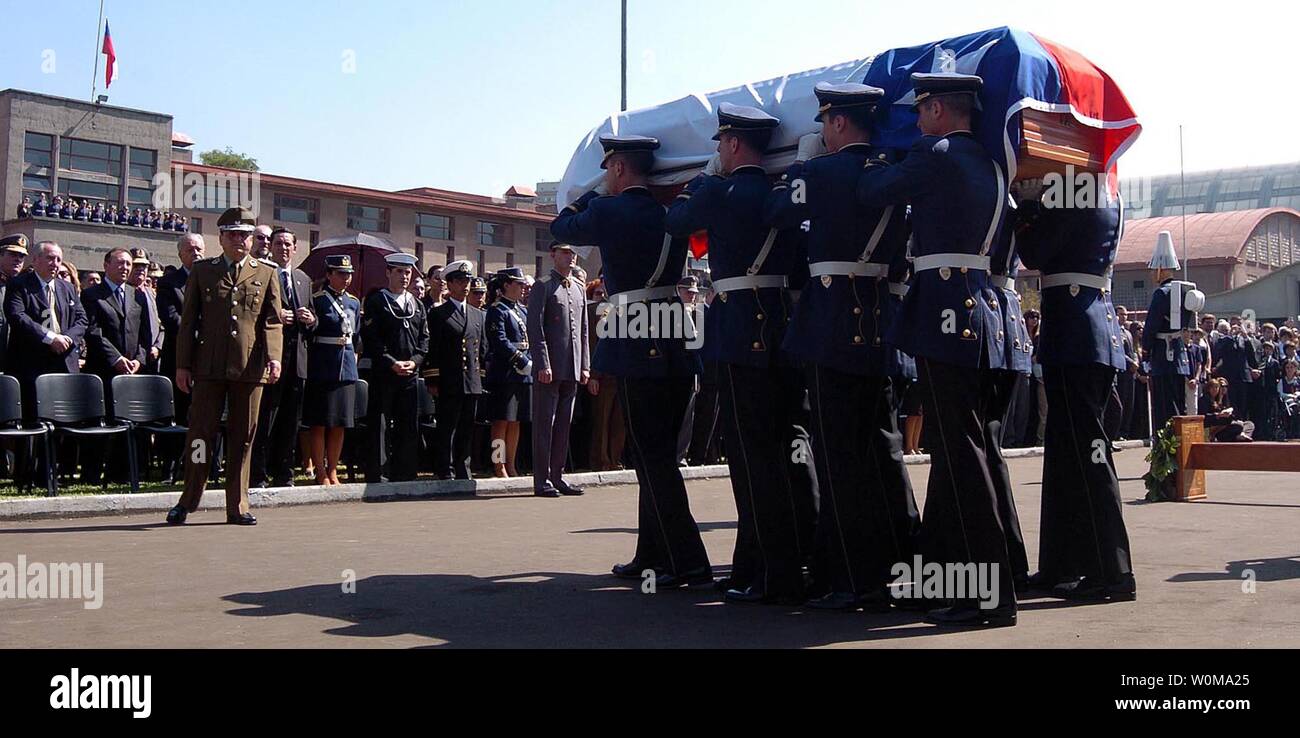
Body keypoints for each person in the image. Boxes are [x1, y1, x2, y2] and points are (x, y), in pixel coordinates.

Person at [856, 72, 1015, 626]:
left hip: (944, 313)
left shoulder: (936, 154)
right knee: (958, 450)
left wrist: (877, 161)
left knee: (962, 451)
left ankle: (989, 593)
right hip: (983, 312)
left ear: (941, 111)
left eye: (923, 109)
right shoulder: (995, 165)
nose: (918, 119)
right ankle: (955, 579)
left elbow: (871, 193)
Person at [668, 102, 814, 605]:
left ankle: (768, 572)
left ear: (732, 144)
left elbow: (676, 221)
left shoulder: (722, 193)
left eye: (719, 147)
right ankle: (785, 560)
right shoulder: (778, 194)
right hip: (780, 324)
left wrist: (702, 179)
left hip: (737, 329)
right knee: (786, 447)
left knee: (751, 457)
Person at [552, 134, 711, 588]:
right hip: (676, 336)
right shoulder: (671, 214)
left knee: (652, 456)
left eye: (608, 170)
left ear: (618, 168)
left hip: (637, 336)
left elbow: (561, 227)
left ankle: (688, 561)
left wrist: (595, 193)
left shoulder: (608, 209)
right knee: (657, 455)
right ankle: (652, 553)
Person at [1015, 178, 1135, 601]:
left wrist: (1028, 205)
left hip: (1076, 333)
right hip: (1087, 330)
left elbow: (1034, 252)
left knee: (1085, 454)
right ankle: (1062, 563)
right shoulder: (1105, 191)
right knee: (1067, 453)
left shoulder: (1076, 189)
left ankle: (1112, 571)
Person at [165, 207, 284, 527]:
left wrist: (275, 357)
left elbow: (272, 321)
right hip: (208, 365)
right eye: (233, 235)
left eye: (245, 235)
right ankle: (188, 500)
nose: (239, 241)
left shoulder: (266, 272)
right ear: (221, 238)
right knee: (200, 437)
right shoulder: (203, 271)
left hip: (249, 365)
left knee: (243, 436)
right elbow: (188, 321)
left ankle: (238, 505)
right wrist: (183, 365)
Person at [80, 248, 152, 484]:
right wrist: (115, 358)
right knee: (99, 423)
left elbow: (144, 335)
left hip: (130, 371)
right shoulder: (92, 295)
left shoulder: (137, 295)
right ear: (106, 265)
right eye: (120, 263)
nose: (125, 268)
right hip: (103, 369)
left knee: (125, 422)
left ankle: (119, 474)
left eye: (128, 264)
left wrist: (138, 360)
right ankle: (91, 475)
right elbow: (93, 331)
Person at [251, 228, 316, 488]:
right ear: (272, 247)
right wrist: (277, 316)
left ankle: (284, 474)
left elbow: (313, 316)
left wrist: (311, 319)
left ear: (295, 248)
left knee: (291, 422)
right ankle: (258, 474)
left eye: (288, 244)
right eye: (278, 243)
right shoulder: (261, 274)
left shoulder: (303, 279)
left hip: (297, 361)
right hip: (270, 359)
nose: (283, 248)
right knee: (266, 419)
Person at [527, 243, 590, 496]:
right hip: (551, 366)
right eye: (565, 251)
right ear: (552, 255)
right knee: (545, 424)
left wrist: (585, 364)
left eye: (573, 252)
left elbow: (584, 329)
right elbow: (535, 327)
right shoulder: (543, 285)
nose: (570, 256)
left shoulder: (578, 287)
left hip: (572, 366)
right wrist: (542, 363)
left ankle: (558, 475)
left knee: (564, 424)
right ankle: (541, 480)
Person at [3, 240, 88, 424]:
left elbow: (82, 320)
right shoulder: (19, 285)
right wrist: (50, 338)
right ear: (35, 260)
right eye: (50, 258)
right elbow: (17, 316)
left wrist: (67, 339)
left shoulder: (68, 288)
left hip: (64, 364)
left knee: (63, 425)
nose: (55, 263)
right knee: (30, 423)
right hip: (31, 365)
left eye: (58, 259)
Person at [362, 252, 429, 483]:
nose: (404, 277)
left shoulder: (417, 303)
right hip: (384, 373)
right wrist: (392, 363)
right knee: (379, 424)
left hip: (410, 373)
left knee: (408, 423)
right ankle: (378, 473)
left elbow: (424, 339)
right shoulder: (376, 301)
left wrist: (415, 361)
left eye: (408, 272)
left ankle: (406, 472)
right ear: (388, 272)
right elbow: (371, 338)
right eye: (399, 271)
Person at [424, 260, 485, 480]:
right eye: (460, 281)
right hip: (449, 380)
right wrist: (432, 380)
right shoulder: (439, 314)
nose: (465, 285)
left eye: (467, 280)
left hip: (471, 380)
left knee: (467, 429)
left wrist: (479, 378)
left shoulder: (477, 314)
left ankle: (463, 467)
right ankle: (445, 469)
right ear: (449, 284)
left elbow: (483, 349)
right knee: (447, 427)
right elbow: (432, 349)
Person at [305, 255, 361, 485]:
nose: (345, 278)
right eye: (340, 273)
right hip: (322, 365)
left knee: (340, 422)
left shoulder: (354, 302)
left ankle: (333, 470)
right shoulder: (317, 300)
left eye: (348, 274)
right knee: (320, 422)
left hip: (346, 365)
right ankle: (319, 470)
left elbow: (356, 336)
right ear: (329, 275)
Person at [1142, 234, 1201, 435]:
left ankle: (1165, 458)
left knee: (1163, 412)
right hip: (1179, 357)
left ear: (1160, 268)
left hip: (1163, 357)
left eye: (1153, 269)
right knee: (1178, 408)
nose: (1151, 273)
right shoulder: (1185, 290)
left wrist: (1146, 351)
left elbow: (1151, 327)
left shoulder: (1161, 293)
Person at [483, 268, 534, 479]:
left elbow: (530, 338)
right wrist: (520, 360)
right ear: (506, 285)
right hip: (505, 373)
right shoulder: (497, 310)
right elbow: (499, 341)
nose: (523, 288)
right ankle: (498, 464)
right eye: (518, 284)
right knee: (500, 421)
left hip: (523, 373)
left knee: (516, 421)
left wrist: (530, 360)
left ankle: (511, 464)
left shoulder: (522, 310)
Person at [585, 278, 626, 471]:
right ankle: (601, 461)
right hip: (603, 373)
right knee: (601, 421)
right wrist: (593, 374)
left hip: (623, 372)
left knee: (620, 422)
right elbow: (594, 343)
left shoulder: (626, 306)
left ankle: (614, 459)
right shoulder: (596, 309)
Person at [0, 235, 30, 375]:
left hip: (16, 364)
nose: (18, 259)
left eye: (21, 256)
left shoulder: (25, 288)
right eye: (13, 254)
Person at [1200, 378, 1253, 442]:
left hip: (1226, 425)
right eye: (1213, 388)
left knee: (1249, 424)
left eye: (1217, 387)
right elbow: (1203, 416)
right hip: (1216, 427)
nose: (1215, 390)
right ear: (1208, 388)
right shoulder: (1204, 399)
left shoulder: (1220, 399)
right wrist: (1218, 415)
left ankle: (1239, 436)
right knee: (1238, 426)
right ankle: (1237, 436)